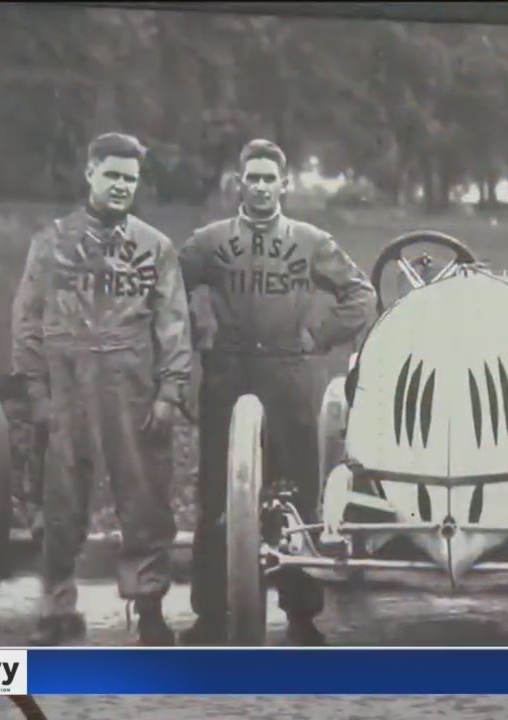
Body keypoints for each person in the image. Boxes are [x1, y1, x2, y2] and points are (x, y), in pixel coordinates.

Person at [177, 139, 376, 646]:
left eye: (270, 178)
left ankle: (301, 615)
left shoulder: (311, 241)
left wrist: (318, 336)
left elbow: (360, 295)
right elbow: (166, 289)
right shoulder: (209, 241)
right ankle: (210, 615)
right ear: (238, 183)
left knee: (297, 492)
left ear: (284, 184)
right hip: (227, 372)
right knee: (219, 494)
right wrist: (193, 332)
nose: (261, 187)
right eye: (253, 177)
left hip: (287, 374)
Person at [10, 132, 194, 646]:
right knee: (60, 499)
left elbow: (173, 324)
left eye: (130, 180)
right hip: (66, 384)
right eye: (112, 175)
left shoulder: (155, 248)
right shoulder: (51, 242)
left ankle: (150, 606)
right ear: (90, 172)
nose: (120, 187)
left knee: (146, 499)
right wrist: (35, 389)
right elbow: (26, 318)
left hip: (130, 386)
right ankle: (56, 604)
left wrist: (169, 392)